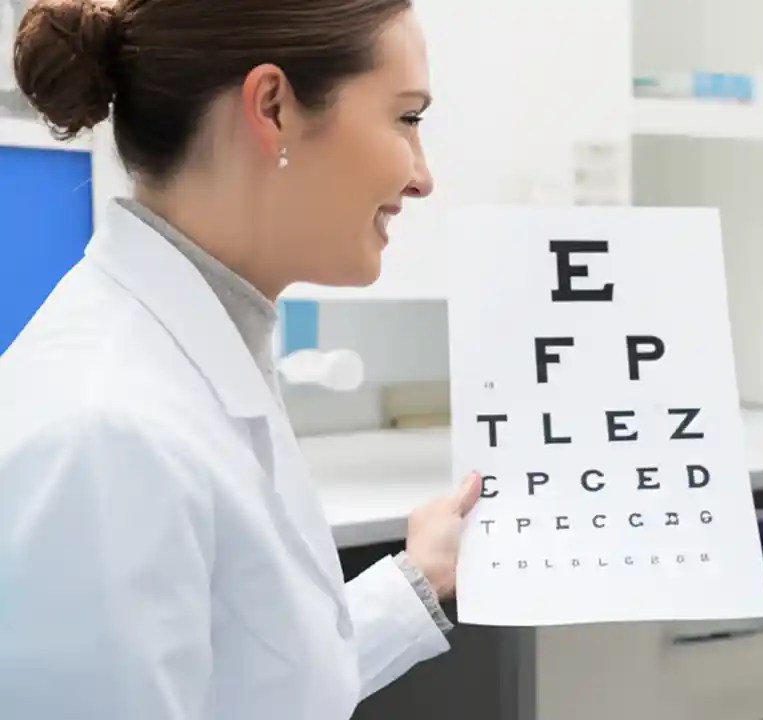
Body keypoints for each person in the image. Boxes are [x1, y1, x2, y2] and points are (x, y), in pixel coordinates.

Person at [0, 0, 483, 718]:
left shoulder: (194, 356)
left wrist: (418, 578)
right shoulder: (104, 436)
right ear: (273, 108)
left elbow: (250, 680)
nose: (421, 177)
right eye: (406, 119)